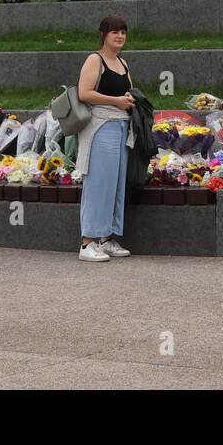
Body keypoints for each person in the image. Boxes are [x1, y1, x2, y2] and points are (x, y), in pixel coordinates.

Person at [75, 14, 137, 263]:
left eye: (123, 31)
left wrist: (131, 101)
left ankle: (107, 238)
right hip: (102, 126)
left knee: (115, 184)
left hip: (122, 126)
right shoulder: (95, 59)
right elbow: (84, 93)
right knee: (99, 183)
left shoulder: (123, 62)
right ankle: (87, 242)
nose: (120, 36)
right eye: (115, 32)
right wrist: (116, 101)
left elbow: (127, 92)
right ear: (104, 35)